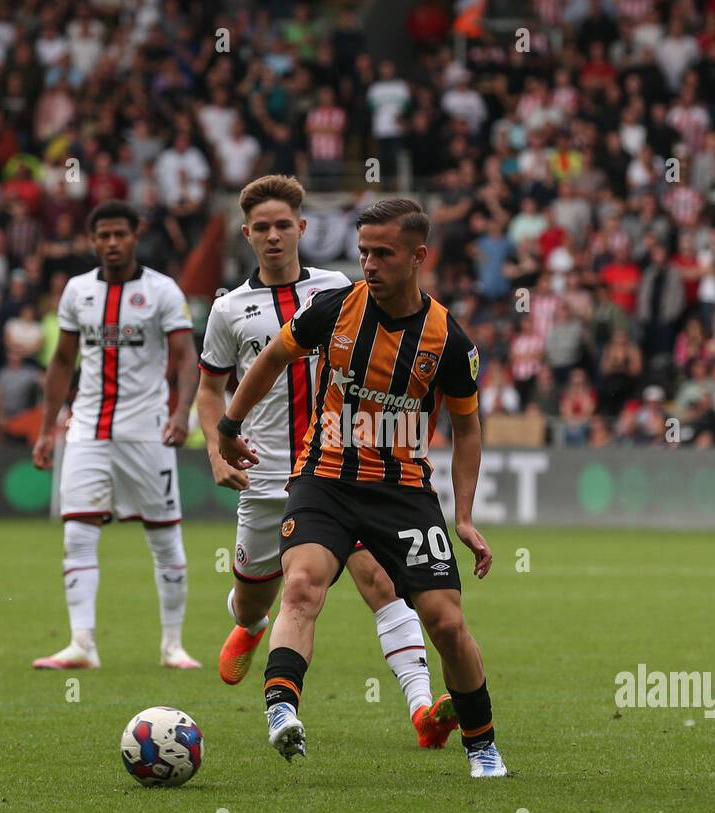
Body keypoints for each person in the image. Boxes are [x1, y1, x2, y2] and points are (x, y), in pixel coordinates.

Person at [216, 197, 507, 777]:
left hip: (403, 495)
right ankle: (281, 710)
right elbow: (272, 359)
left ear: (418, 256)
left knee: (446, 623)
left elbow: (467, 426)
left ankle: (482, 744)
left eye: (383, 254)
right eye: (363, 252)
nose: (369, 265)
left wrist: (465, 516)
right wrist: (229, 425)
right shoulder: (333, 309)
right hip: (322, 479)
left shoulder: (448, 339)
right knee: (300, 586)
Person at [30, 200, 200, 670]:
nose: (111, 243)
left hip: (147, 431)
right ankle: (82, 643)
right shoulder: (76, 290)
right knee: (78, 534)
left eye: (119, 235)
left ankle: (173, 645)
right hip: (86, 430)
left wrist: (181, 412)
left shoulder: (162, 290)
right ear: (92, 240)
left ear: (136, 234)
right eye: (102, 236)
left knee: (165, 538)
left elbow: (186, 357)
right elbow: (62, 362)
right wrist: (48, 429)